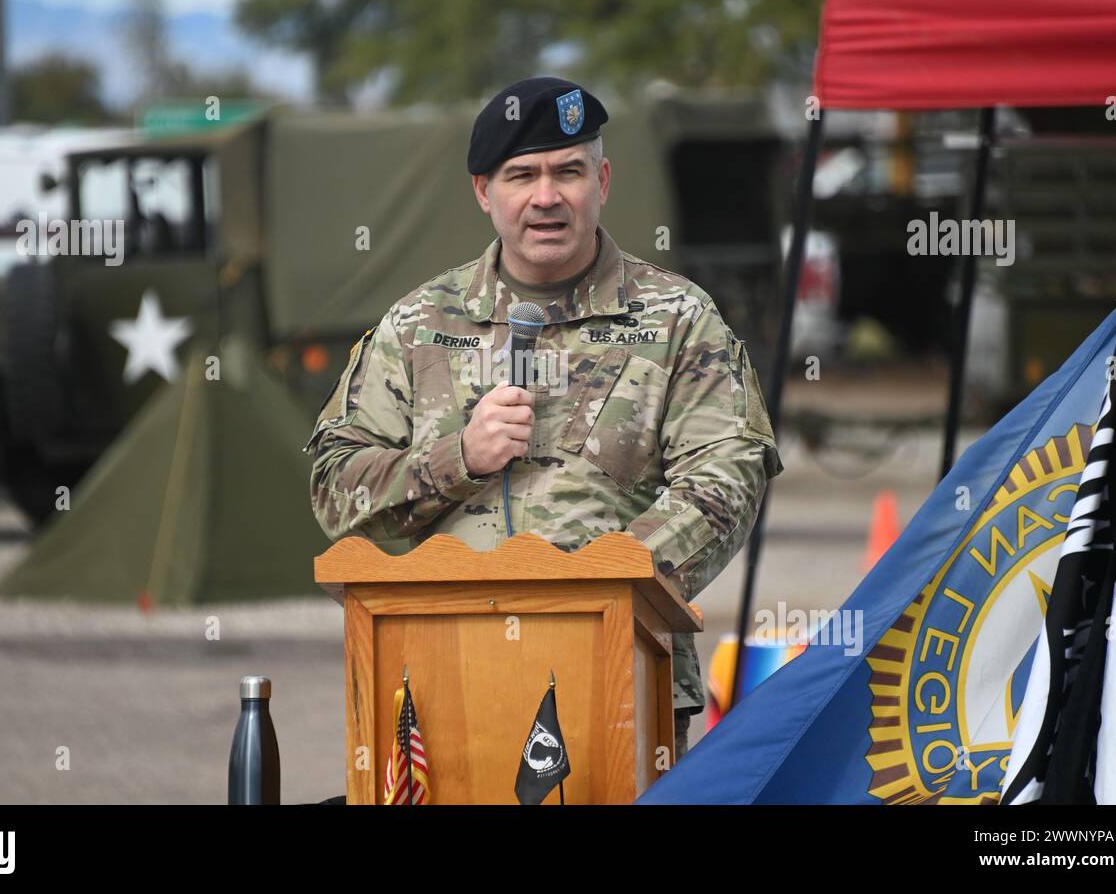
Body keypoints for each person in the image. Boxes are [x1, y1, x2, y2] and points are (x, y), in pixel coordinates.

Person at [306, 76, 782, 759]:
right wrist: (458, 458)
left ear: (604, 180)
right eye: (521, 175)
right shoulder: (418, 324)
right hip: (442, 682)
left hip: (620, 676)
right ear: (483, 192)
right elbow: (334, 483)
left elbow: (727, 477)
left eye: (569, 172)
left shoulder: (678, 319)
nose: (546, 196)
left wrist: (603, 584)